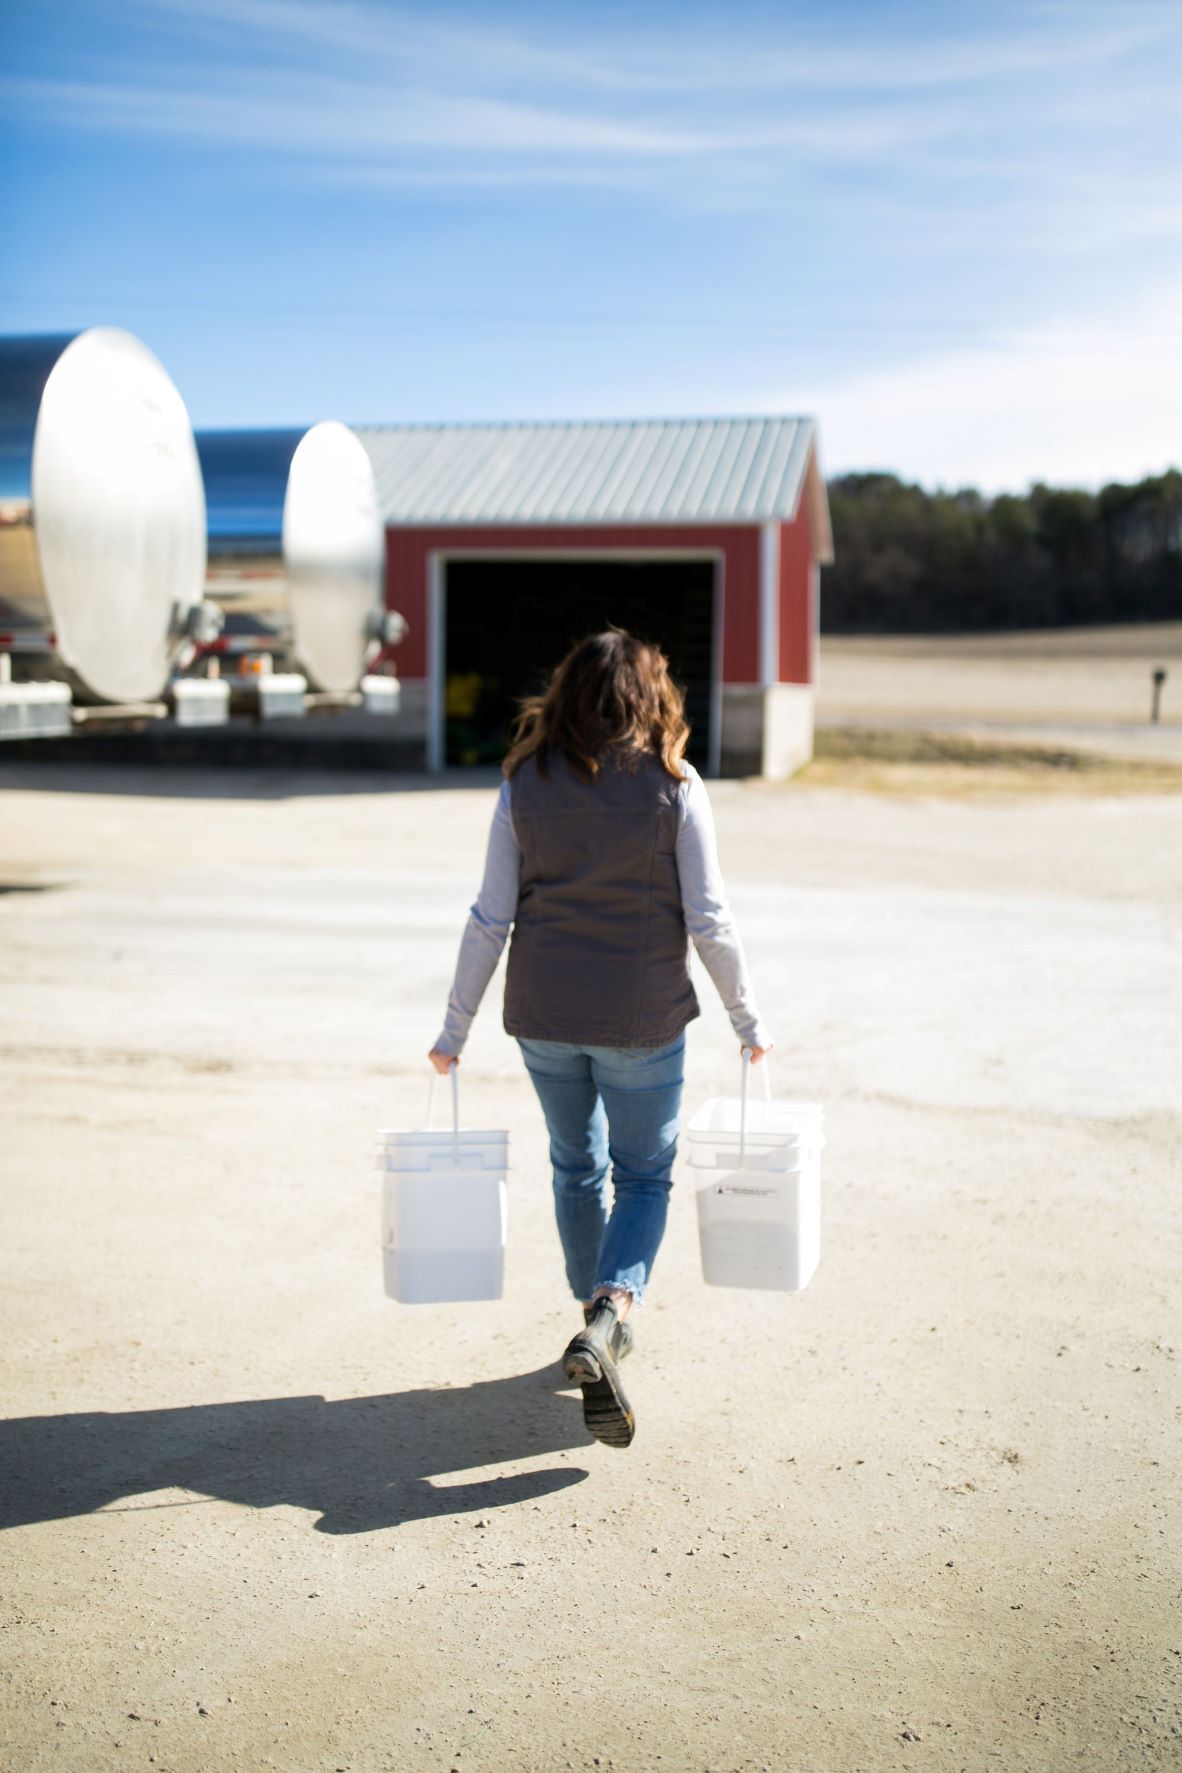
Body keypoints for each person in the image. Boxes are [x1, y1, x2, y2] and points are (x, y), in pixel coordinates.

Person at [428, 629, 771, 1449]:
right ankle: (611, 1314)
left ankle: (595, 1327)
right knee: (645, 1176)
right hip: (641, 1021)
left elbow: (489, 918)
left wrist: (453, 1029)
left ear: (568, 695)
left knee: (574, 1166)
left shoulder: (522, 786)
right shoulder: (676, 788)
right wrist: (748, 1019)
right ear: (651, 699)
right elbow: (710, 919)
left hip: (543, 1019)